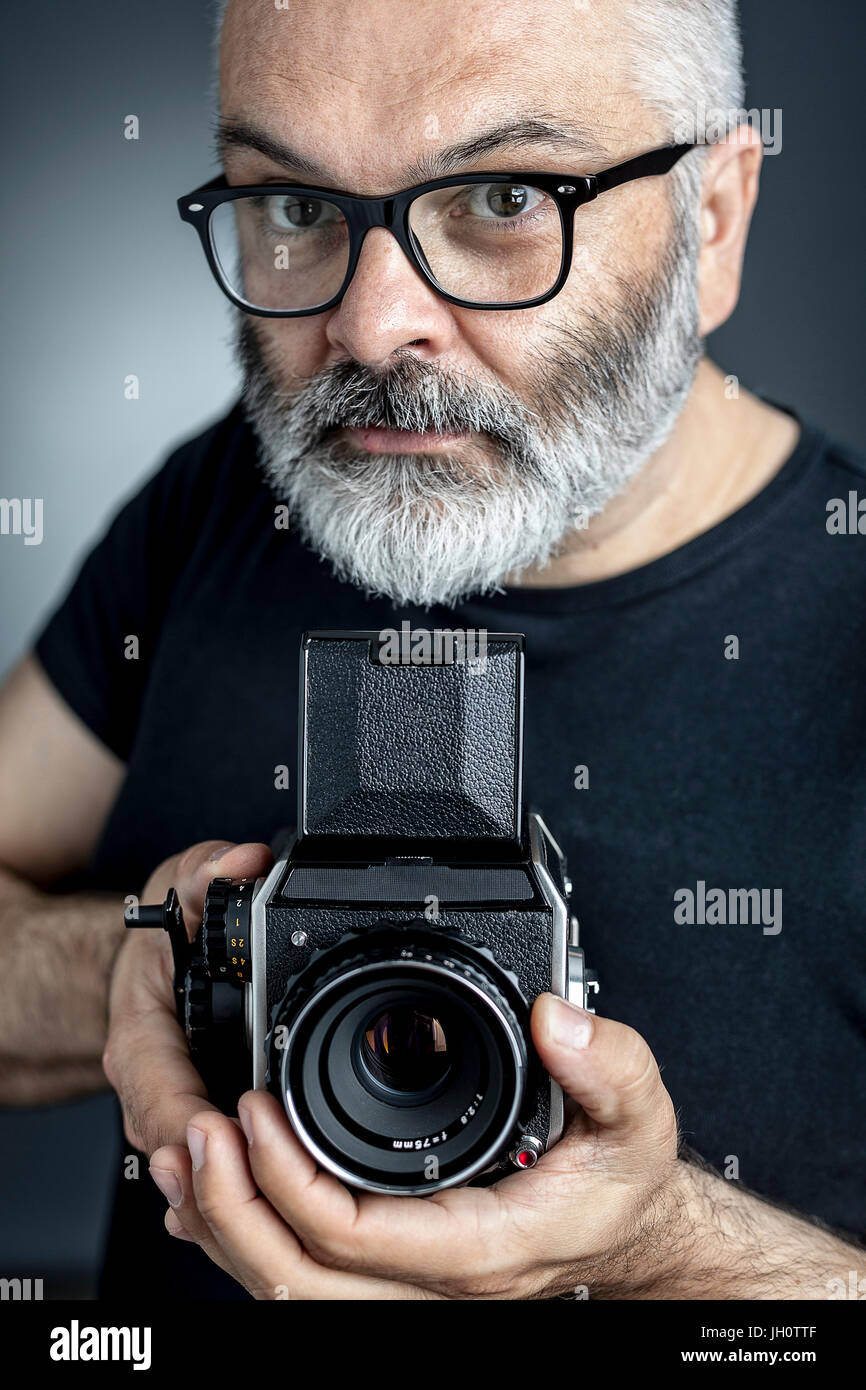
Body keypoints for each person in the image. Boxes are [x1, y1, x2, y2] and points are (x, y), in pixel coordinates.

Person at [1, 0, 863, 1299]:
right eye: (291, 205)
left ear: (712, 219)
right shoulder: (229, 498)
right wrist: (149, 973)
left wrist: (662, 1244)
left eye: (502, 194)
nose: (367, 325)